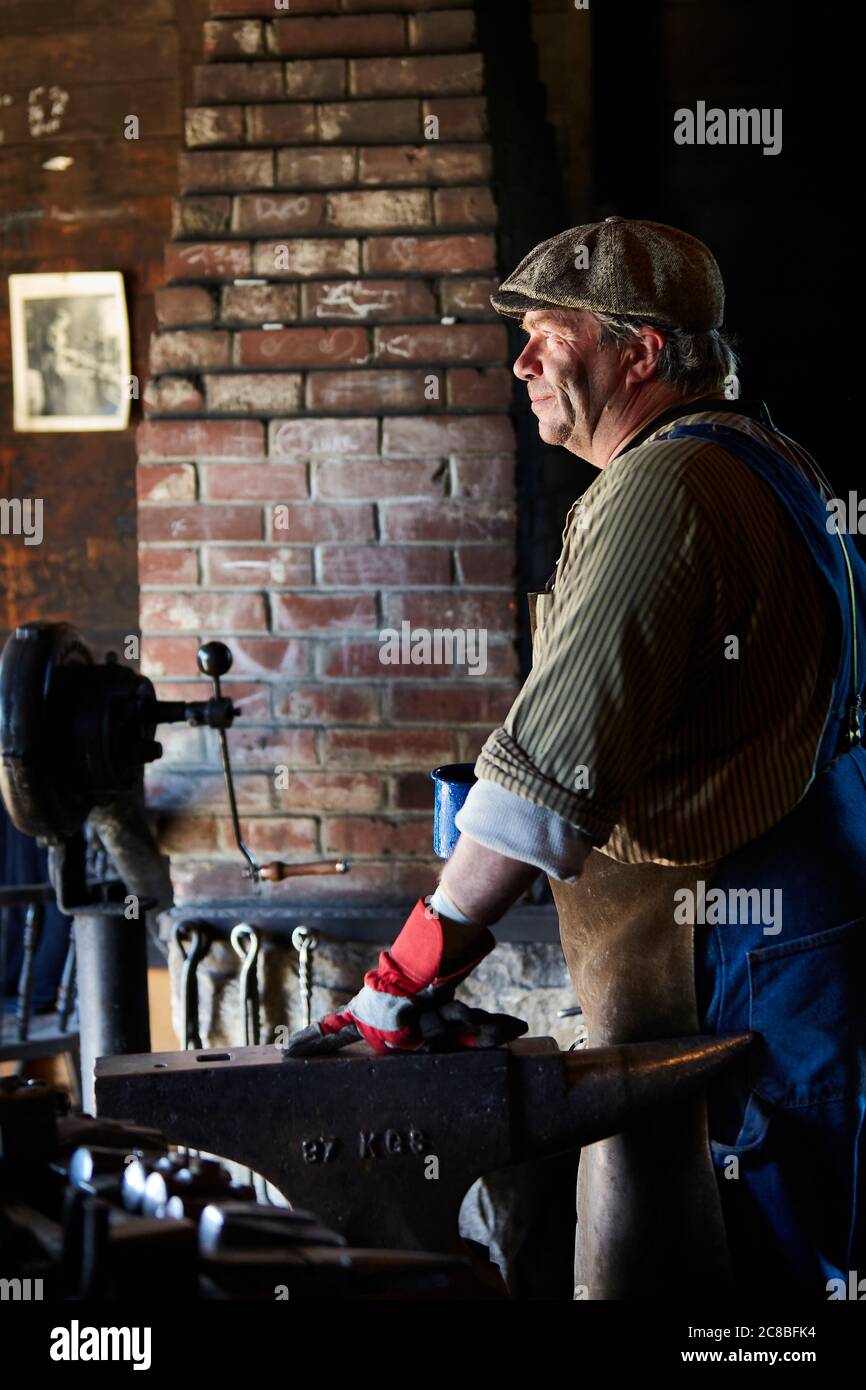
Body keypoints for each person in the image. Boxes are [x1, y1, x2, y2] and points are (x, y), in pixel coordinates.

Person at [285, 218, 866, 1301]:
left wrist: (400, 981)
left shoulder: (665, 490)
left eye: (548, 334)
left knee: (738, 1274)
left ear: (639, 351)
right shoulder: (770, 456)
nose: (520, 362)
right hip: (798, 925)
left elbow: (539, 779)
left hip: (731, 951)